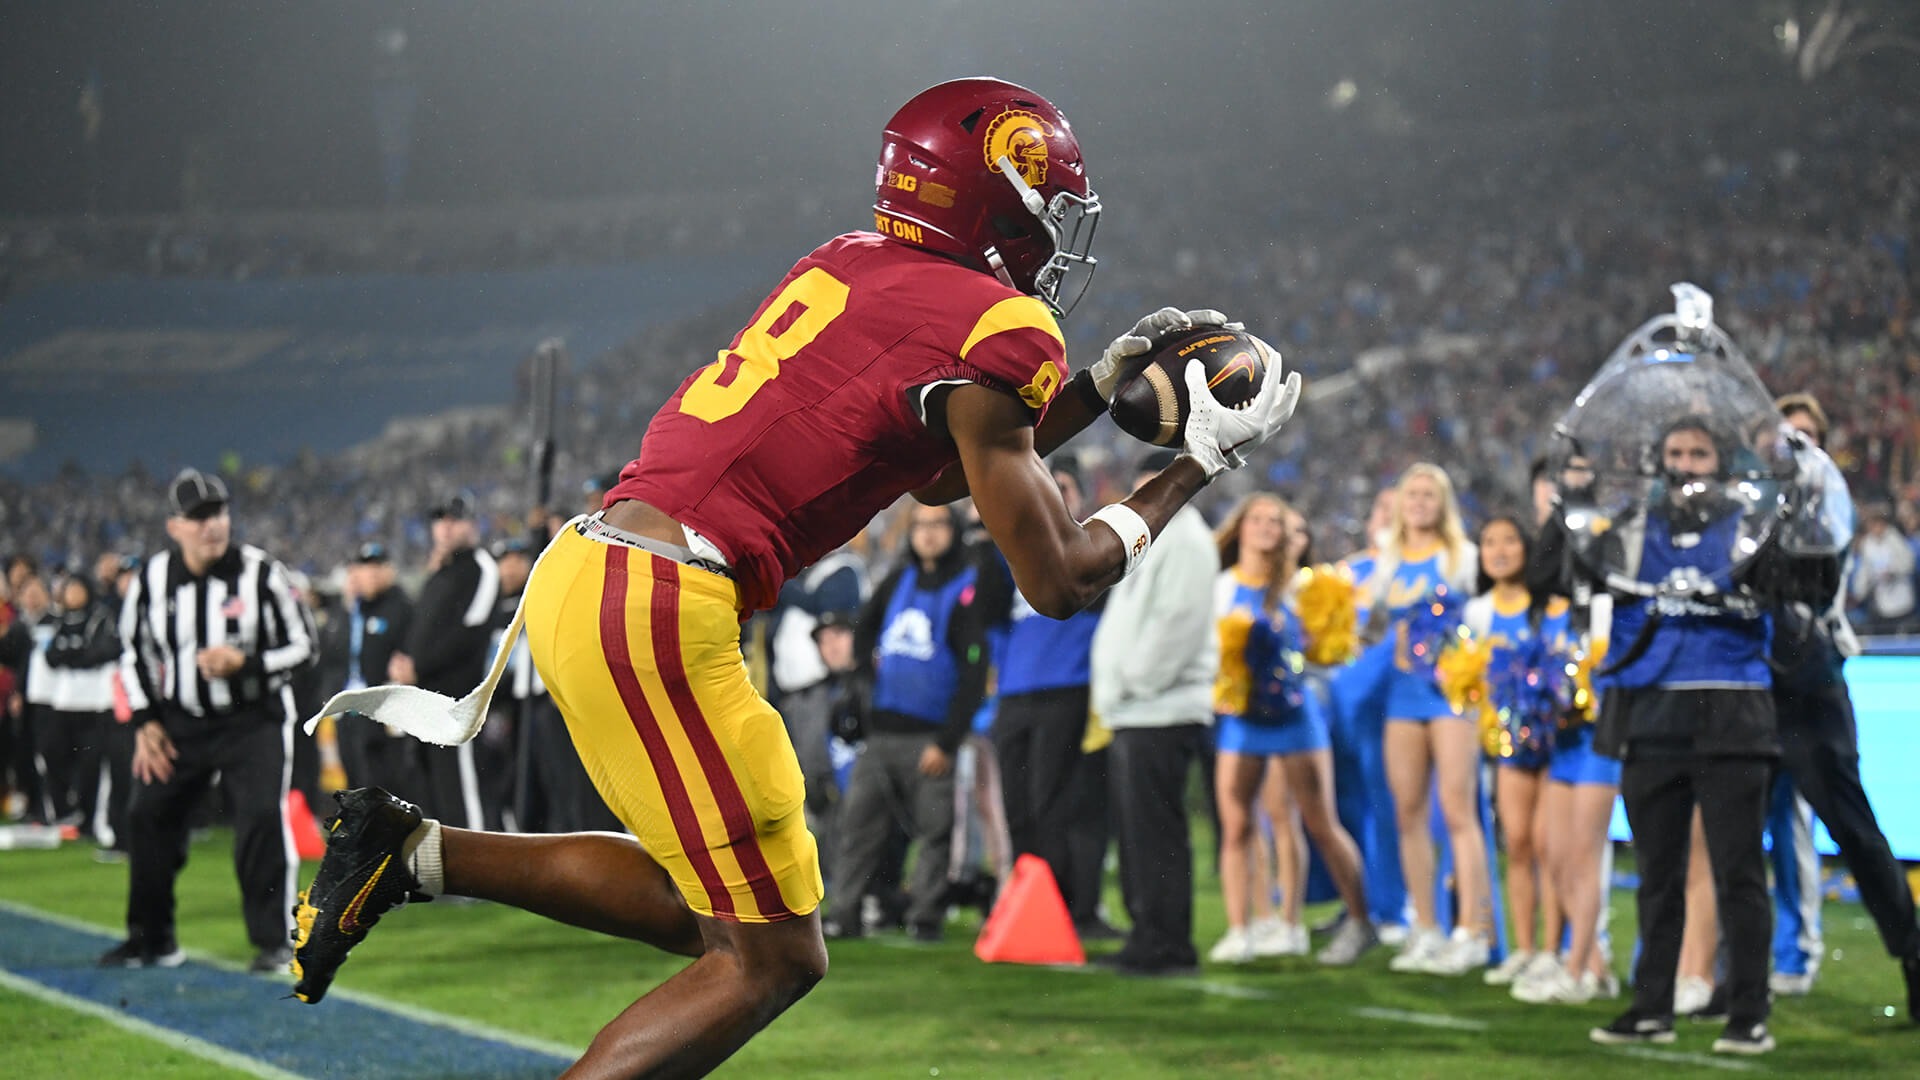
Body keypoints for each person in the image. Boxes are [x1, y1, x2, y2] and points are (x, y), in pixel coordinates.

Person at [291, 76, 1301, 1077]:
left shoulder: (846, 261)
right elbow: (1061, 580)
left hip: (590, 574)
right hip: (658, 603)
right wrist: (1196, 465)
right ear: (994, 203)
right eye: (1047, 210)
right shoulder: (999, 328)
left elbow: (939, 475)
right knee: (772, 958)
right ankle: (408, 857)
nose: (1054, 236)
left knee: (723, 915)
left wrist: (1093, 388)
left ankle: (408, 852)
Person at [1587, 417, 1781, 1054]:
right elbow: (1575, 580)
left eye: (1699, 452)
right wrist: (1576, 496)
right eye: (1676, 452)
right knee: (1656, 875)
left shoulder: (1754, 528)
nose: (1687, 463)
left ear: (1720, 464)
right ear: (1658, 460)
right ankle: (1652, 1008)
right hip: (1653, 714)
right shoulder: (1630, 531)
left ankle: (1748, 1014)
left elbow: (1786, 593)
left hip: (1734, 713)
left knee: (1738, 874)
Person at [102, 468, 314, 973]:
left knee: (260, 820)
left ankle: (275, 942)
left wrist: (248, 663)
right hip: (181, 723)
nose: (212, 524)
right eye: (198, 517)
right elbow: (132, 653)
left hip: (253, 721)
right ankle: (151, 939)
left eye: (218, 512)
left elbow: (305, 646)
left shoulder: (262, 573)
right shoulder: (152, 580)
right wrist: (146, 721)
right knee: (147, 816)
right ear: (174, 526)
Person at [1765, 392, 1920, 1018]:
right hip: (1753, 687)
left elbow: (1818, 576)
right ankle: (1741, 968)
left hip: (1812, 686)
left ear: (1824, 449)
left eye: (1808, 437)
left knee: (1852, 829)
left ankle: (1912, 954)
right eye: (1786, 438)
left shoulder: (1829, 509)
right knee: (1738, 834)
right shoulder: (1752, 509)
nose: (1796, 449)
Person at [1210, 493, 1379, 967]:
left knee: (1319, 822)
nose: (1266, 527)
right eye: (1257, 519)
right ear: (1241, 528)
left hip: (1296, 716)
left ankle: (1357, 921)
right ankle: (1240, 930)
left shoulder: (1302, 588)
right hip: (1242, 719)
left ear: (1288, 534)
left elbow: (1331, 651)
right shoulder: (1222, 586)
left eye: (1275, 521)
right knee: (1237, 824)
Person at [828, 503, 986, 941]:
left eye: (938, 525)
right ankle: (844, 913)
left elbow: (974, 672)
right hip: (881, 734)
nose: (928, 533)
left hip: (930, 737)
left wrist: (948, 741)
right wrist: (864, 678)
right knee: (858, 826)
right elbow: (863, 629)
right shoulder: (898, 578)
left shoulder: (966, 587)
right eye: (920, 525)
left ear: (954, 531)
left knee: (935, 831)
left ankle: (926, 917)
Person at [1089, 450, 1218, 976]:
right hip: (1139, 710)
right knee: (1140, 833)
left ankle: (1165, 944)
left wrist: (1130, 684)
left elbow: (1175, 628)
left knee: (1155, 833)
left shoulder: (1185, 540)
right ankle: (1148, 936)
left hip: (1160, 710)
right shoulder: (1157, 540)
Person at [1373, 463, 1488, 976]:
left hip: (1450, 698)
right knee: (1409, 813)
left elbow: (1483, 621)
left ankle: (1472, 930)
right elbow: (1373, 622)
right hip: (1402, 696)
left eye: (1429, 494)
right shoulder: (1389, 558)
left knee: (1458, 811)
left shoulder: (1462, 557)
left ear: (1443, 503)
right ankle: (1425, 926)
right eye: (1412, 493)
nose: (1419, 502)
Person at [1467, 516, 1565, 991]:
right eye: (1489, 542)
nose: (1499, 550)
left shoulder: (1548, 607)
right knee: (1519, 844)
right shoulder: (1477, 612)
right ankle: (1523, 949)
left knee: (1548, 845)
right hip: (1508, 745)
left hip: (1554, 741)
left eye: (1509, 540)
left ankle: (1552, 951)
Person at [389, 493, 501, 829]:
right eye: (440, 521)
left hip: (457, 702)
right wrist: (405, 661)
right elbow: (421, 627)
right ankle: (449, 864)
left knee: (463, 799)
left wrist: (418, 666)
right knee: (435, 802)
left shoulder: (480, 567)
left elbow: (472, 632)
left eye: (455, 520)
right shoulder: (441, 572)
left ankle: (479, 863)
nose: (446, 528)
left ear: (472, 525)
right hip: (425, 700)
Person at [334, 543, 419, 799]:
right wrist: (348, 607)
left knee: (386, 784)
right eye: (364, 567)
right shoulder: (353, 609)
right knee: (355, 783)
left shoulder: (401, 607)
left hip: (383, 711)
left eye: (376, 567)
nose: (370, 573)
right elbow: (332, 653)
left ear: (389, 571)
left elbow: (409, 655)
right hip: (350, 710)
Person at [41, 574, 122, 839]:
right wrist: (77, 654)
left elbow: (104, 651)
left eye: (78, 589)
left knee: (91, 764)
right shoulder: (58, 621)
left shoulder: (100, 618)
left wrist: (72, 655)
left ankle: (89, 819)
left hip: (94, 703)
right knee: (52, 753)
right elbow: (50, 656)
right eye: (69, 590)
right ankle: (64, 810)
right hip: (64, 701)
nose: (73, 595)